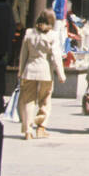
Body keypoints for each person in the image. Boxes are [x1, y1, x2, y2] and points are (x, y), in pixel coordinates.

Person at [16, 9, 66, 140]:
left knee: (28, 100)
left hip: (29, 70)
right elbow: (56, 56)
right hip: (45, 72)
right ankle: (40, 126)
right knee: (45, 100)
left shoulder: (29, 33)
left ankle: (27, 131)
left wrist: (20, 71)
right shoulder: (53, 35)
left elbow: (23, 55)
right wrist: (61, 74)